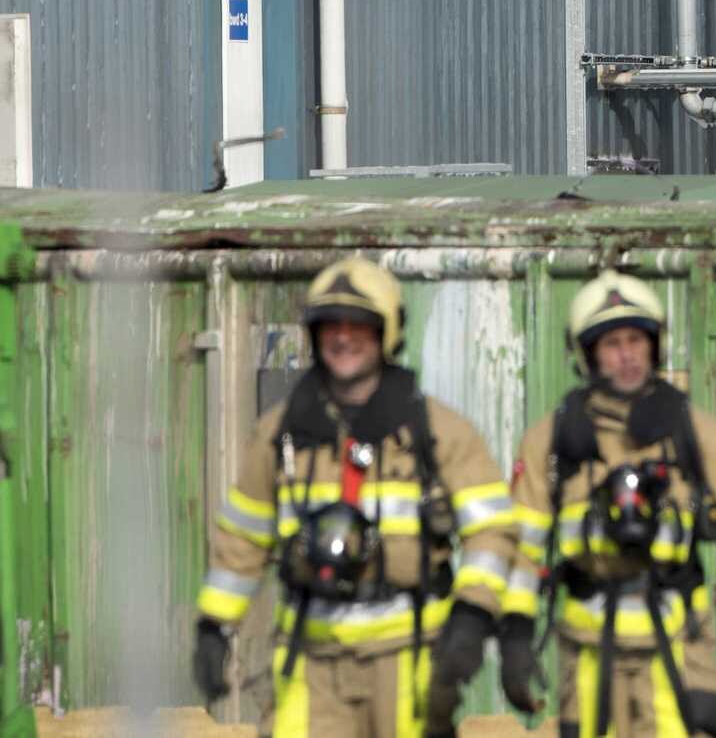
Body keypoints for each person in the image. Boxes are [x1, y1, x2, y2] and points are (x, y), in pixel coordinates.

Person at [193, 255, 514, 737]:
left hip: (407, 658)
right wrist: (214, 627)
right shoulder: (278, 434)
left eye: (359, 326)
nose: (343, 338)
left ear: (387, 333)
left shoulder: (436, 430)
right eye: (330, 326)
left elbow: (492, 529)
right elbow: (243, 537)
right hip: (311, 657)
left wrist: (472, 614)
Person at [496, 272, 716, 738]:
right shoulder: (554, 443)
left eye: (637, 339)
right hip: (591, 658)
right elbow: (521, 548)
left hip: (677, 654)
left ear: (656, 345)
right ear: (586, 354)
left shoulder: (697, 435)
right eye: (612, 343)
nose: (627, 354)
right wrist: (514, 632)